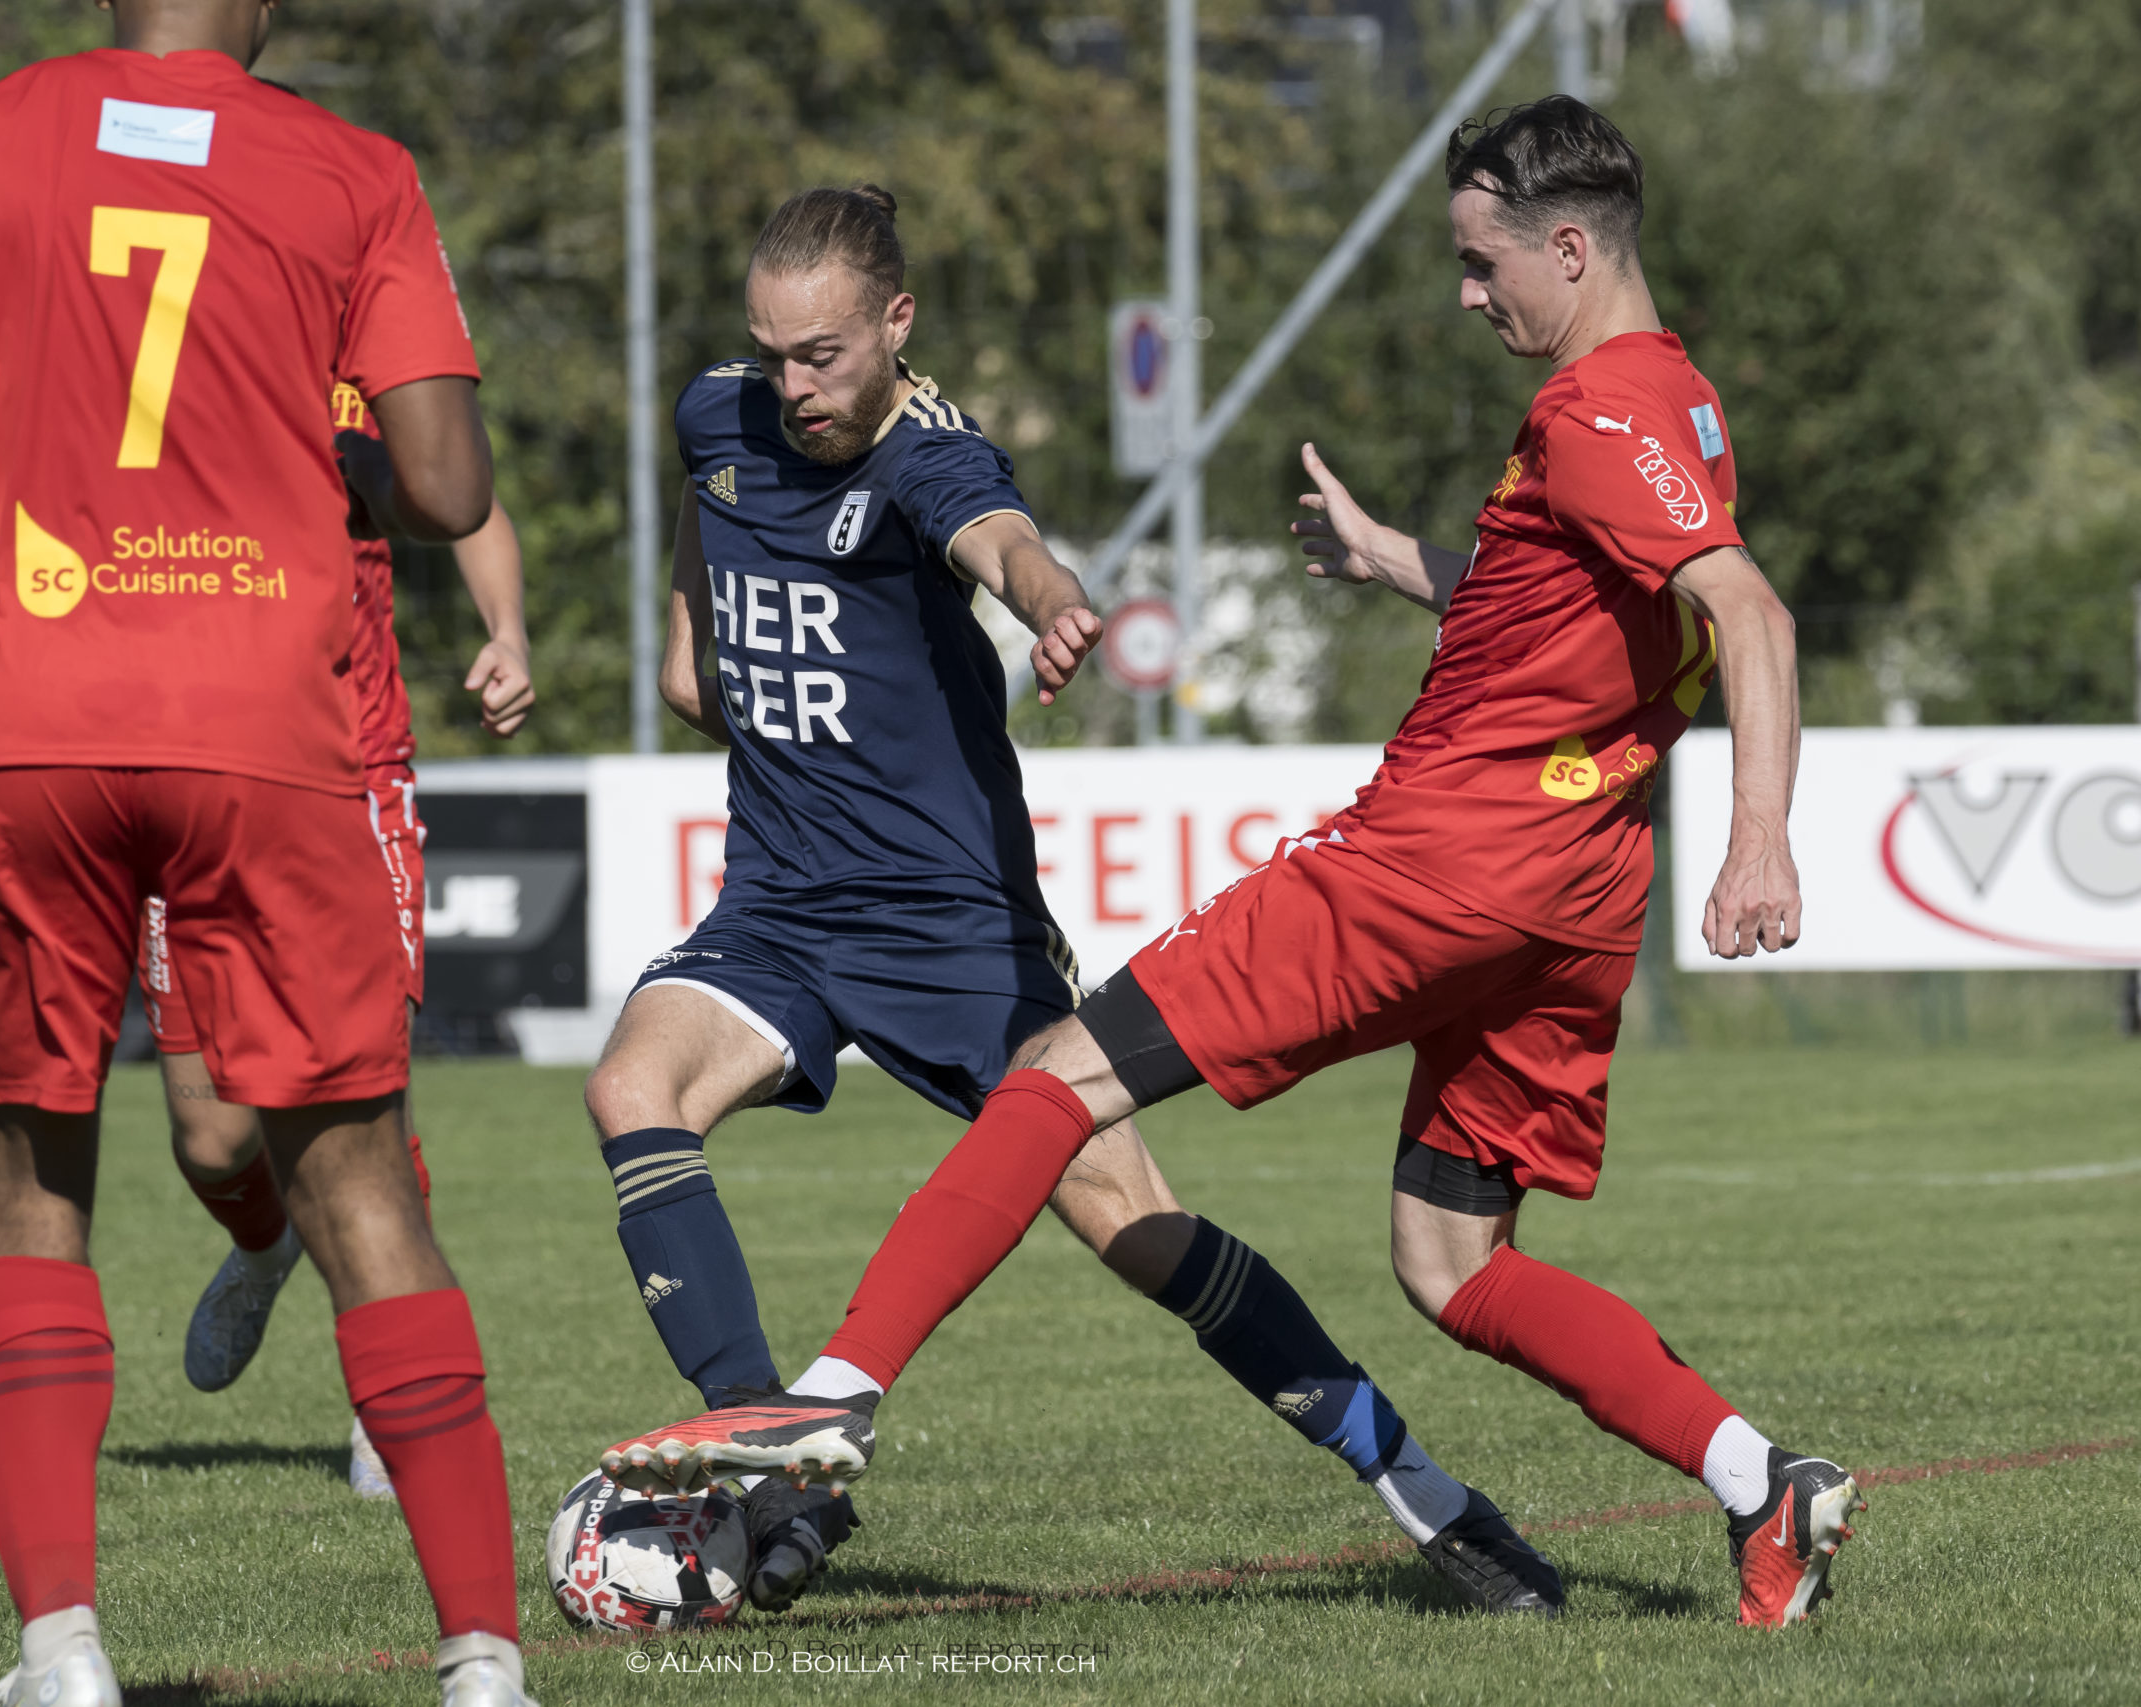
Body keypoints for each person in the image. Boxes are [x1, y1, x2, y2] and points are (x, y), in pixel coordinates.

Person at [604, 100, 1865, 1630]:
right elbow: (1596, 602)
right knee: (1450, 1257)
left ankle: (829, 1399)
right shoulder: (1674, 401)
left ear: (1573, 248)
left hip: (1434, 861)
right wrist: (1400, 558)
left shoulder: (1600, 410)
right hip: (1574, 884)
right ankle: (1757, 1478)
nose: (1471, 296)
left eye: (1483, 265)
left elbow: (1751, 613)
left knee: (1060, 1076)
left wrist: (1760, 839)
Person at [0, 2, 533, 1701]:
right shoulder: (354, 170)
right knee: (356, 1180)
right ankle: (484, 1661)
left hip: (29, 713)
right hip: (267, 728)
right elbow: (441, 481)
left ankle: (62, 1652)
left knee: (31, 1183)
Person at [159, 383, 534, 1505]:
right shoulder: (161, 353)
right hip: (184, 783)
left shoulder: (367, 365)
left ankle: (389, 1399)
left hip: (348, 786)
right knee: (211, 1137)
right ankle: (267, 1247)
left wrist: (506, 634)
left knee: (368, 1108)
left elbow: (463, 498)